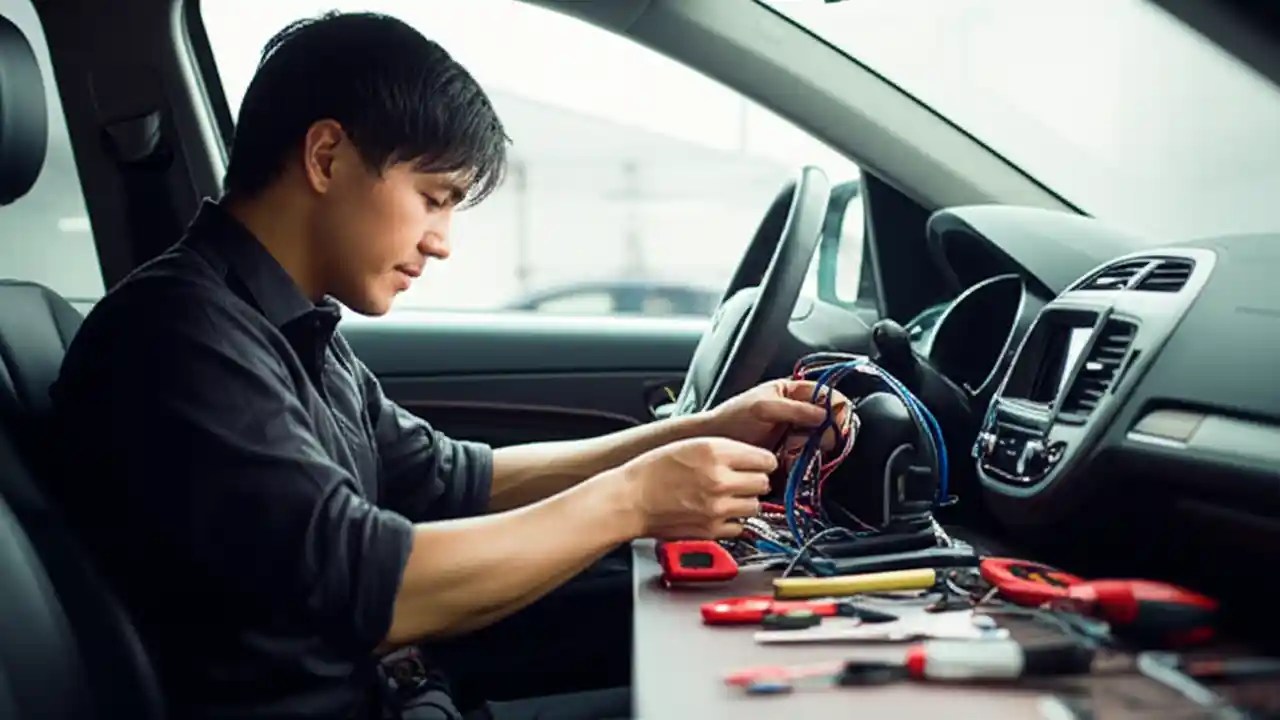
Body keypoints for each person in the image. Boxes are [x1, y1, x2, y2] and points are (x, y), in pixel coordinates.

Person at [48, 11, 844, 720]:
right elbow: (380, 594)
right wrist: (636, 501)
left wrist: (700, 433)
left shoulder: (282, 323)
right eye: (434, 197)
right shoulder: (178, 341)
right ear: (326, 156)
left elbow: (455, 478)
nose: (443, 240)